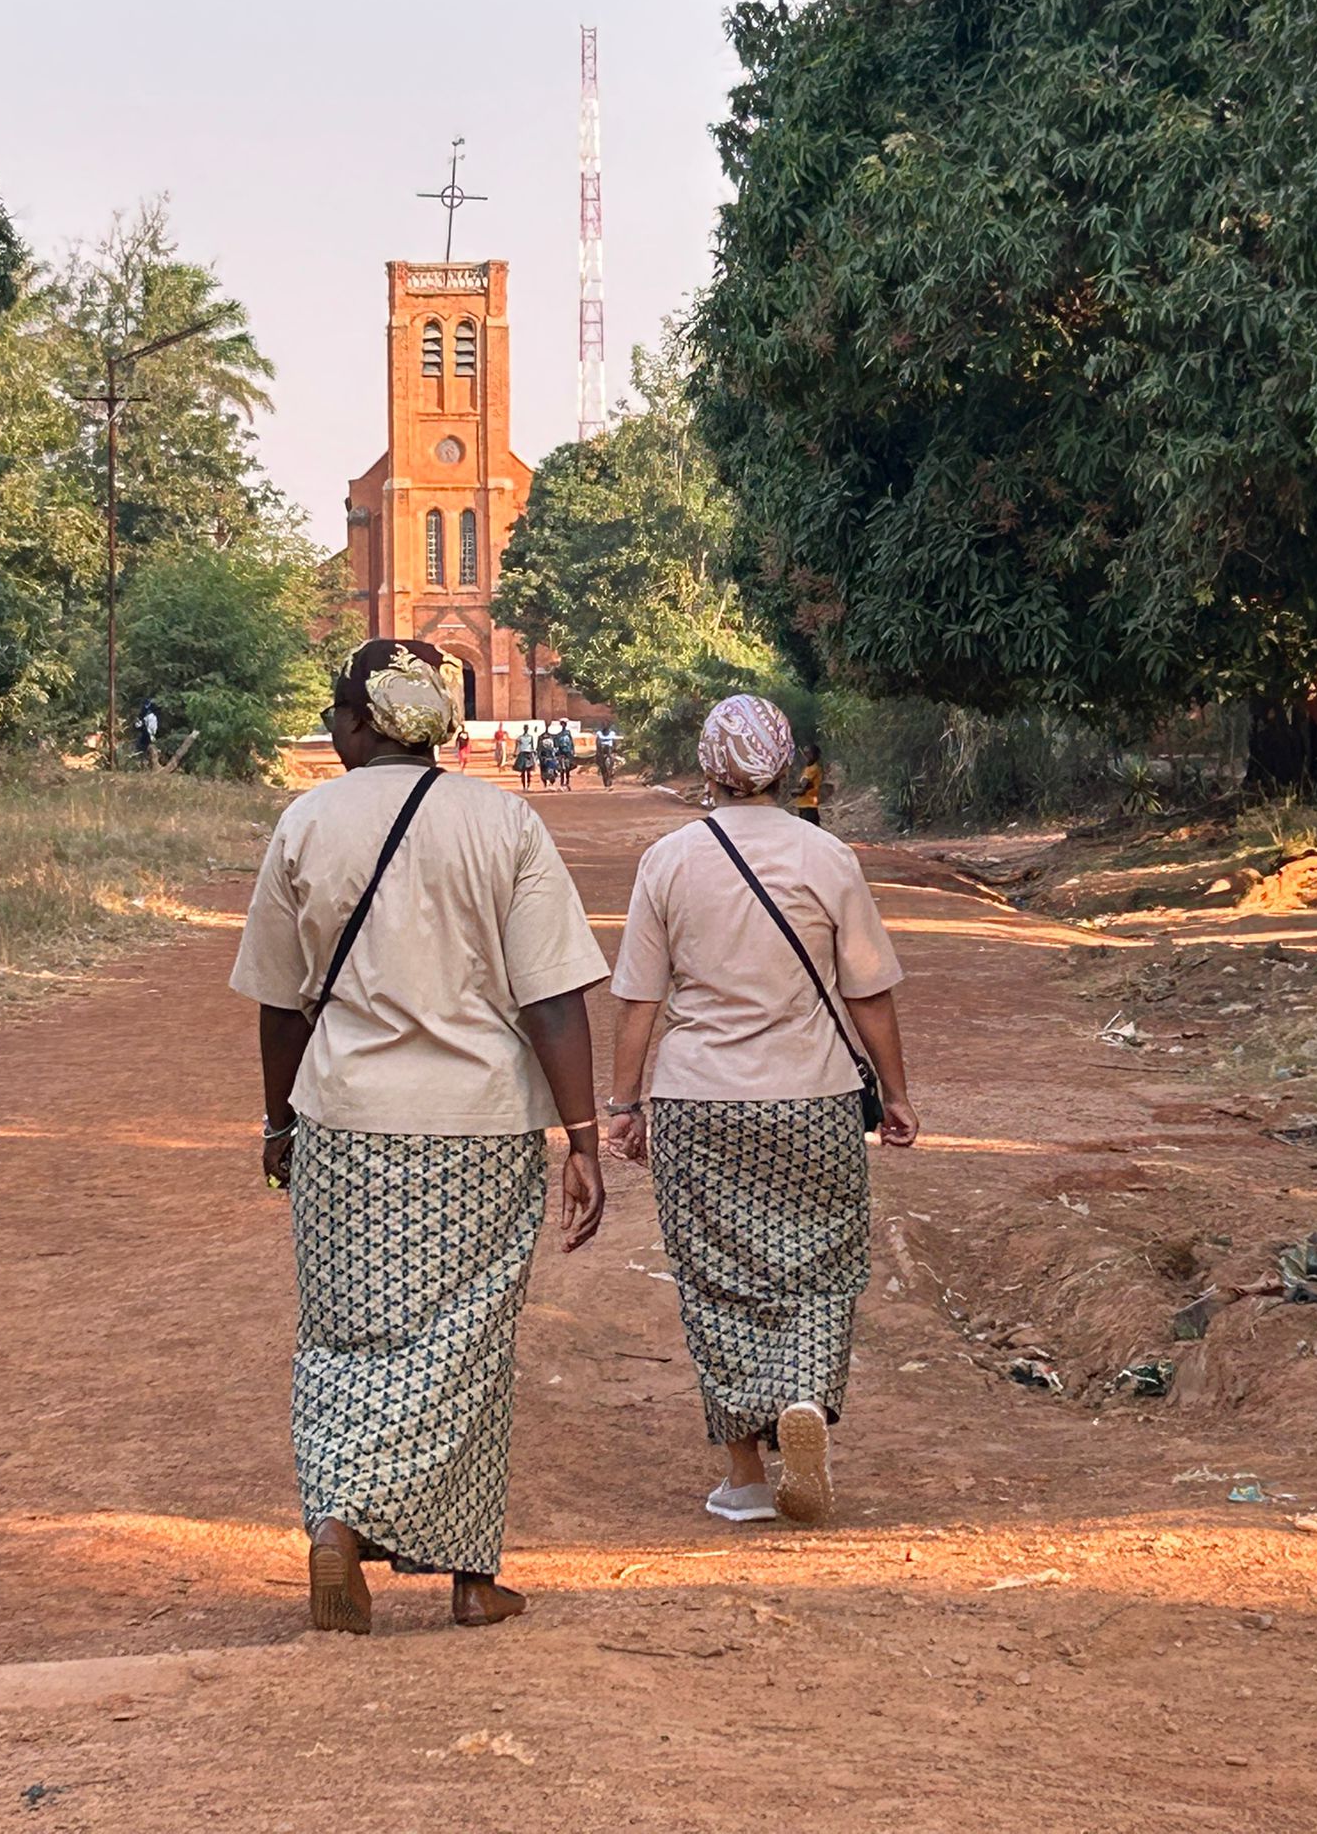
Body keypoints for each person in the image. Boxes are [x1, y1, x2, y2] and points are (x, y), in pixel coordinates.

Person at [229, 639, 609, 1637]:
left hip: (348, 1122)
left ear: (357, 723)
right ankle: (470, 1578)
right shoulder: (505, 821)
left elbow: (281, 1003)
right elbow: (555, 997)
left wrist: (279, 1119)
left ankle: (338, 1518)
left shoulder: (307, 822)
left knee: (345, 1334)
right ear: (437, 721)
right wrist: (583, 1136)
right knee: (467, 1345)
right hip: (481, 1128)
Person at [607, 694, 918, 1530]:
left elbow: (639, 998)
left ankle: (745, 1474)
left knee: (716, 1277)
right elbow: (869, 991)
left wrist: (623, 1104)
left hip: (698, 1100)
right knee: (819, 1264)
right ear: (785, 768)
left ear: (710, 769)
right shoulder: (828, 857)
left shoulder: (668, 861)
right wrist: (894, 1093)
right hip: (812, 1097)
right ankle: (804, 1400)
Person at [792, 743, 824, 826]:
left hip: (809, 805)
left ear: (815, 755)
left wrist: (794, 791)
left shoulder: (813, 769)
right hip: (805, 805)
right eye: (805, 753)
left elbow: (803, 787)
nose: (806, 756)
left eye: (809, 753)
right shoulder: (808, 768)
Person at [594, 721, 620, 790]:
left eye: (606, 726)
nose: (605, 727)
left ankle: (610, 781)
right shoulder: (599, 734)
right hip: (601, 751)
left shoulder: (612, 733)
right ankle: (606, 783)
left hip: (609, 750)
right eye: (604, 725)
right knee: (603, 769)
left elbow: (614, 742)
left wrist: (615, 749)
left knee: (611, 767)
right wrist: (598, 750)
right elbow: (597, 742)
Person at [136, 700, 160, 766]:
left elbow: (151, 728)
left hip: (147, 736)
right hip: (146, 735)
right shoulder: (149, 716)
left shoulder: (151, 717)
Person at [555, 719, 577, 791]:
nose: (564, 725)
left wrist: (573, 750)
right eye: (563, 724)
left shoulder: (568, 733)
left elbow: (571, 742)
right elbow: (557, 744)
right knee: (562, 768)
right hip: (561, 752)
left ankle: (567, 782)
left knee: (568, 767)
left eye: (564, 724)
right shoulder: (559, 735)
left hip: (568, 751)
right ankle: (562, 782)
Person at [513, 724, 536, 791]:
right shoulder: (520, 737)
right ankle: (524, 786)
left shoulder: (530, 737)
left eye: (527, 728)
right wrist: (515, 752)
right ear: (524, 729)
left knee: (528, 772)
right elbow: (517, 746)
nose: (526, 729)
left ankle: (528, 786)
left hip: (528, 754)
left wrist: (533, 753)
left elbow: (532, 746)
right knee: (523, 772)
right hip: (522, 753)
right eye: (525, 728)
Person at [537, 722, 559, 790]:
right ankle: (545, 784)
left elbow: (555, 747)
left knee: (551, 771)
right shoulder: (541, 737)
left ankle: (550, 783)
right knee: (544, 771)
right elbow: (539, 748)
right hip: (544, 757)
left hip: (550, 757)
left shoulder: (552, 737)